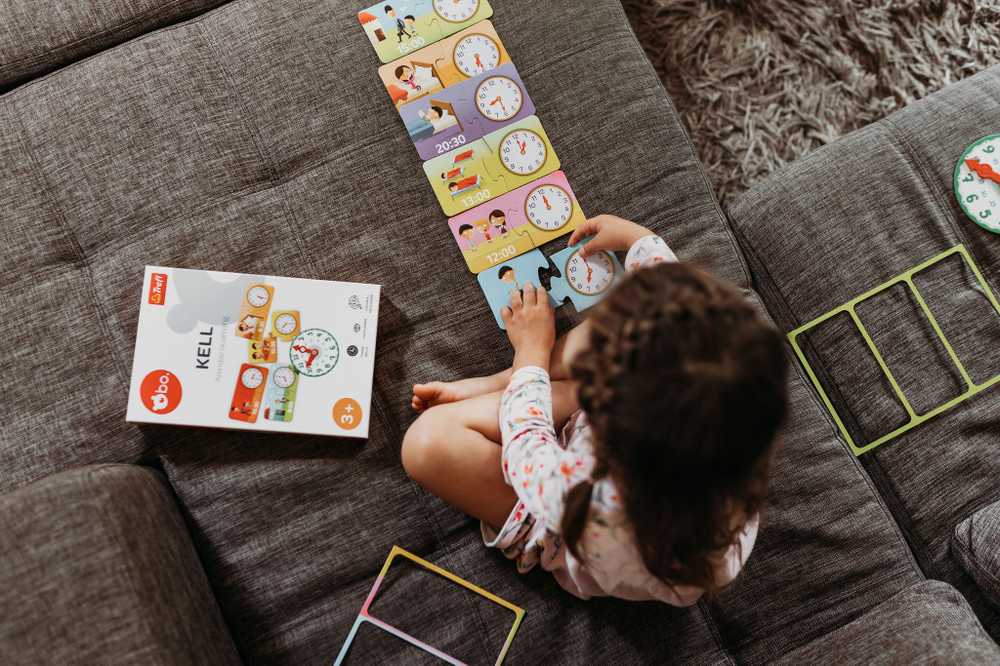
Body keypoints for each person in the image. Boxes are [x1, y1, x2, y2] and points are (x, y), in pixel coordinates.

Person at [401, 215, 789, 604]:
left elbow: (527, 448)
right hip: (633, 446)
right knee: (643, 326)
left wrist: (532, 351)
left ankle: (520, 378)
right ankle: (506, 382)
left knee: (424, 444)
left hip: (562, 520)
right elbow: (688, 322)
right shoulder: (730, 424)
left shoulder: (596, 498)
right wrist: (640, 241)